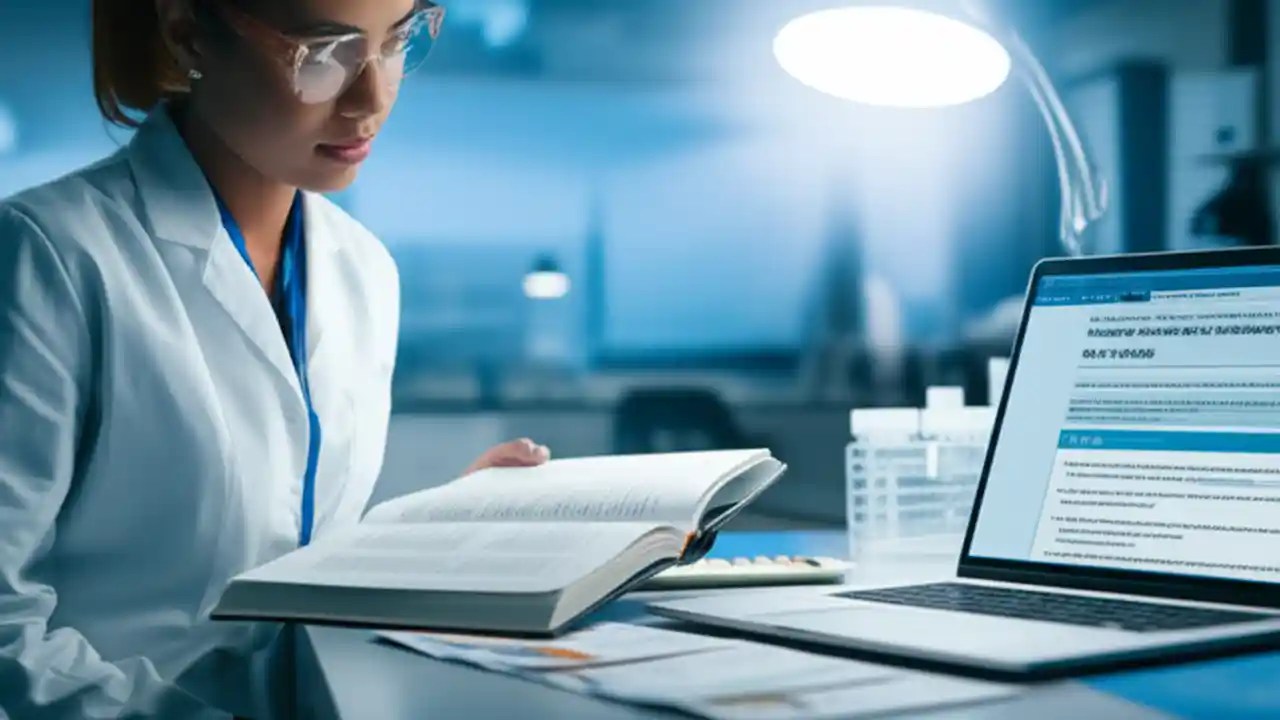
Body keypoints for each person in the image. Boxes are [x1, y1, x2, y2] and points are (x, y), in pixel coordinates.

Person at [0, 1, 551, 717]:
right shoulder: (50, 255)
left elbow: (284, 554)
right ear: (189, 32)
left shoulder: (363, 270)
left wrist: (432, 533)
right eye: (322, 54)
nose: (372, 99)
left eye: (396, 43)